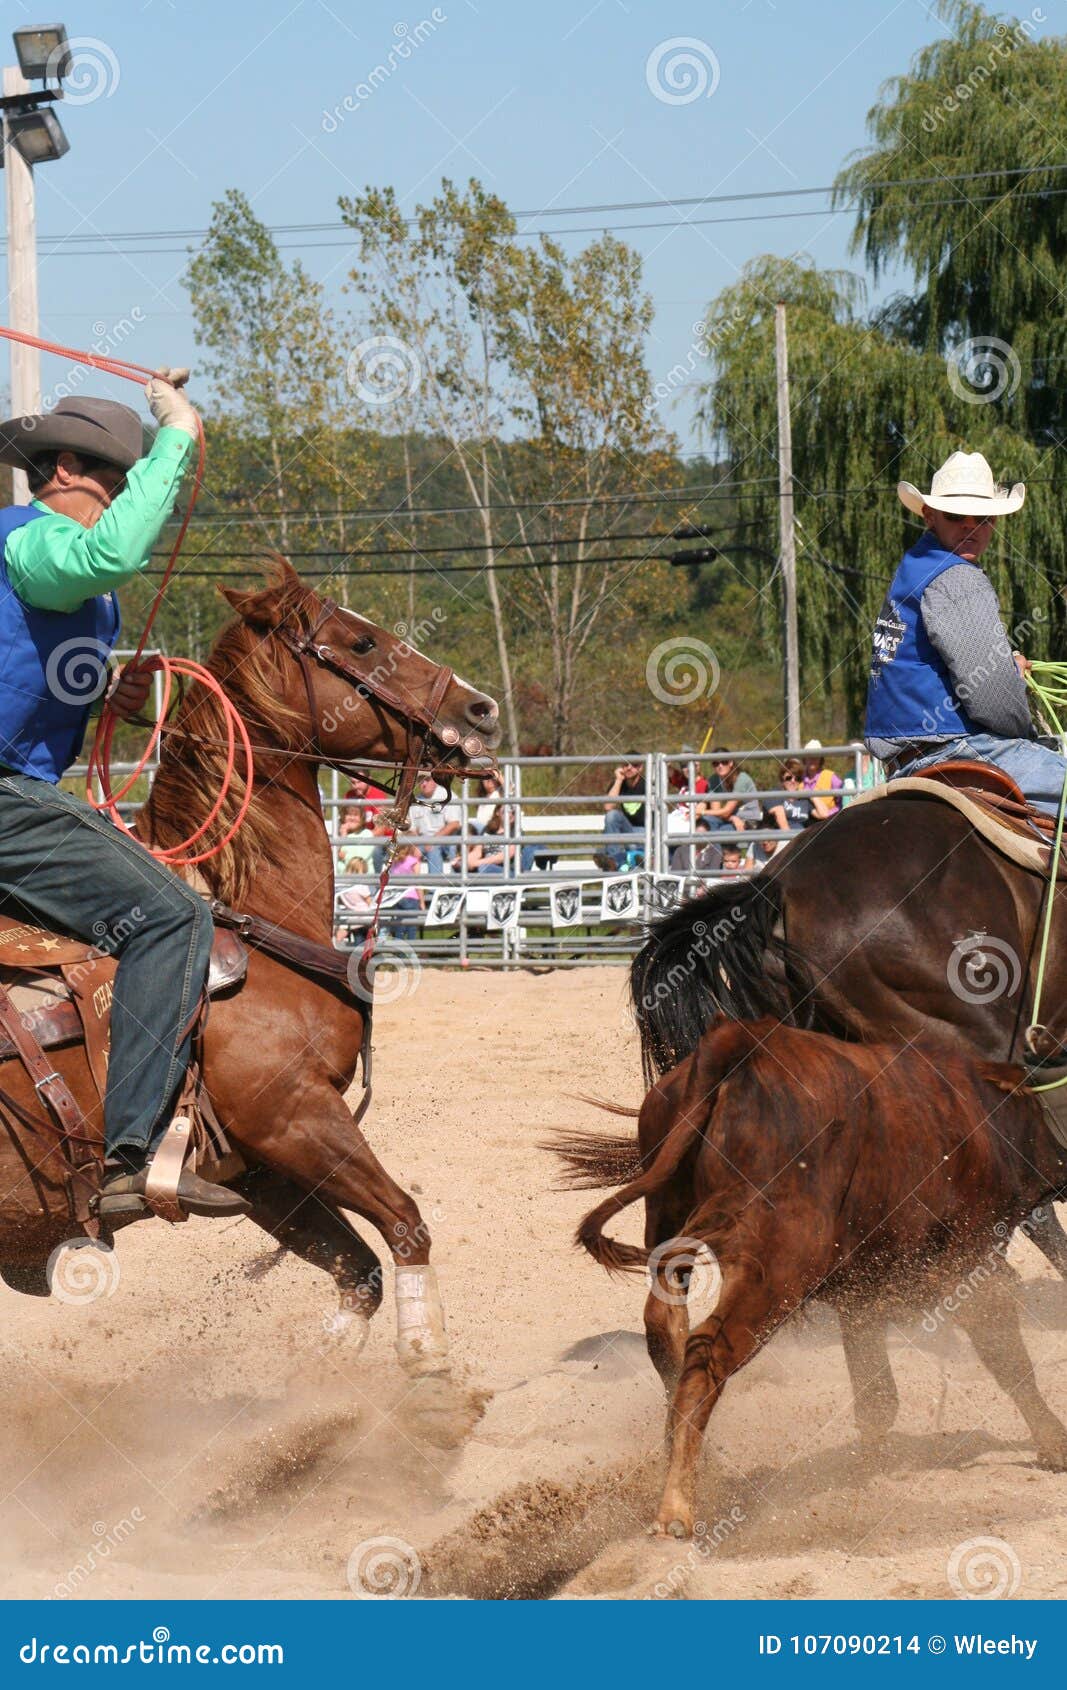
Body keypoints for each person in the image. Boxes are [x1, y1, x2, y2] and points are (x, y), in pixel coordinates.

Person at [0, 380, 246, 1219]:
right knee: (174, 918)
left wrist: (105, 697)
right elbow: (113, 553)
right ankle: (133, 1158)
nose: (119, 499)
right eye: (115, 480)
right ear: (65, 468)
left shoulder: (55, 572)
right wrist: (176, 434)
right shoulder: (32, 546)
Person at [864, 450, 1066, 812]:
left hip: (906, 759)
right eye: (956, 516)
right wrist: (1011, 684)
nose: (971, 528)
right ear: (930, 516)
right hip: (958, 749)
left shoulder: (914, 567)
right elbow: (992, 697)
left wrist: (1003, 665)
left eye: (984, 519)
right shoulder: (957, 578)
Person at [407, 772, 463, 874]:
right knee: (402, 850)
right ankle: (407, 886)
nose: (423, 783)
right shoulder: (415, 801)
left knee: (433, 849)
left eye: (427, 779)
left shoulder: (447, 795)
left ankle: (436, 886)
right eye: (420, 780)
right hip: (422, 841)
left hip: (445, 840)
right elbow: (412, 830)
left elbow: (454, 824)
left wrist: (433, 840)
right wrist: (413, 846)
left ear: (435, 779)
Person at [760, 757, 813, 857]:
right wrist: (797, 845)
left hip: (801, 839)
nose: (793, 781)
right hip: (782, 841)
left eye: (797, 778)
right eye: (789, 778)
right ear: (782, 779)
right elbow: (783, 825)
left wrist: (811, 794)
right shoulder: (775, 794)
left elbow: (823, 813)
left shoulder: (803, 799)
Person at [603, 757, 647, 869]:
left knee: (632, 843)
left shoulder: (646, 784)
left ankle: (619, 861)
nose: (629, 768)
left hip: (644, 831)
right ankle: (614, 860)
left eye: (634, 765)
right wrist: (618, 780)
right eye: (626, 764)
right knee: (612, 815)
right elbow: (608, 806)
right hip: (627, 830)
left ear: (641, 768)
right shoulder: (619, 783)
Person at [700, 752, 760, 834]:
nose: (720, 766)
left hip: (748, 819)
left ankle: (714, 846)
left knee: (722, 831)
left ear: (731, 763)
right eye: (716, 763)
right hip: (730, 817)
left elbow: (727, 811)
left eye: (724, 762)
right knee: (708, 820)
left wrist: (702, 812)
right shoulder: (714, 780)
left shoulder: (741, 779)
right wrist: (732, 818)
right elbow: (716, 810)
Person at [801, 740, 843, 818]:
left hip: (828, 822)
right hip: (804, 821)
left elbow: (842, 801)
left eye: (816, 756)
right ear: (804, 758)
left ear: (821, 759)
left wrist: (830, 815)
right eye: (809, 755)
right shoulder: (799, 778)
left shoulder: (831, 777)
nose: (812, 759)